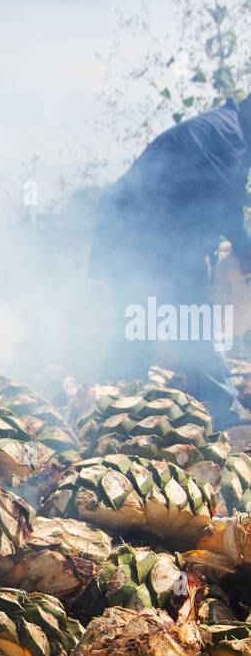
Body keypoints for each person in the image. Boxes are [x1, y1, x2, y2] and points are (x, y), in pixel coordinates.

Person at [88, 93, 251, 427]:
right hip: (150, 235)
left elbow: (207, 196)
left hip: (136, 231)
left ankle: (110, 404)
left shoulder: (223, 128)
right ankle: (224, 411)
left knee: (138, 322)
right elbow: (227, 203)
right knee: (190, 318)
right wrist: (245, 252)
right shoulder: (228, 133)